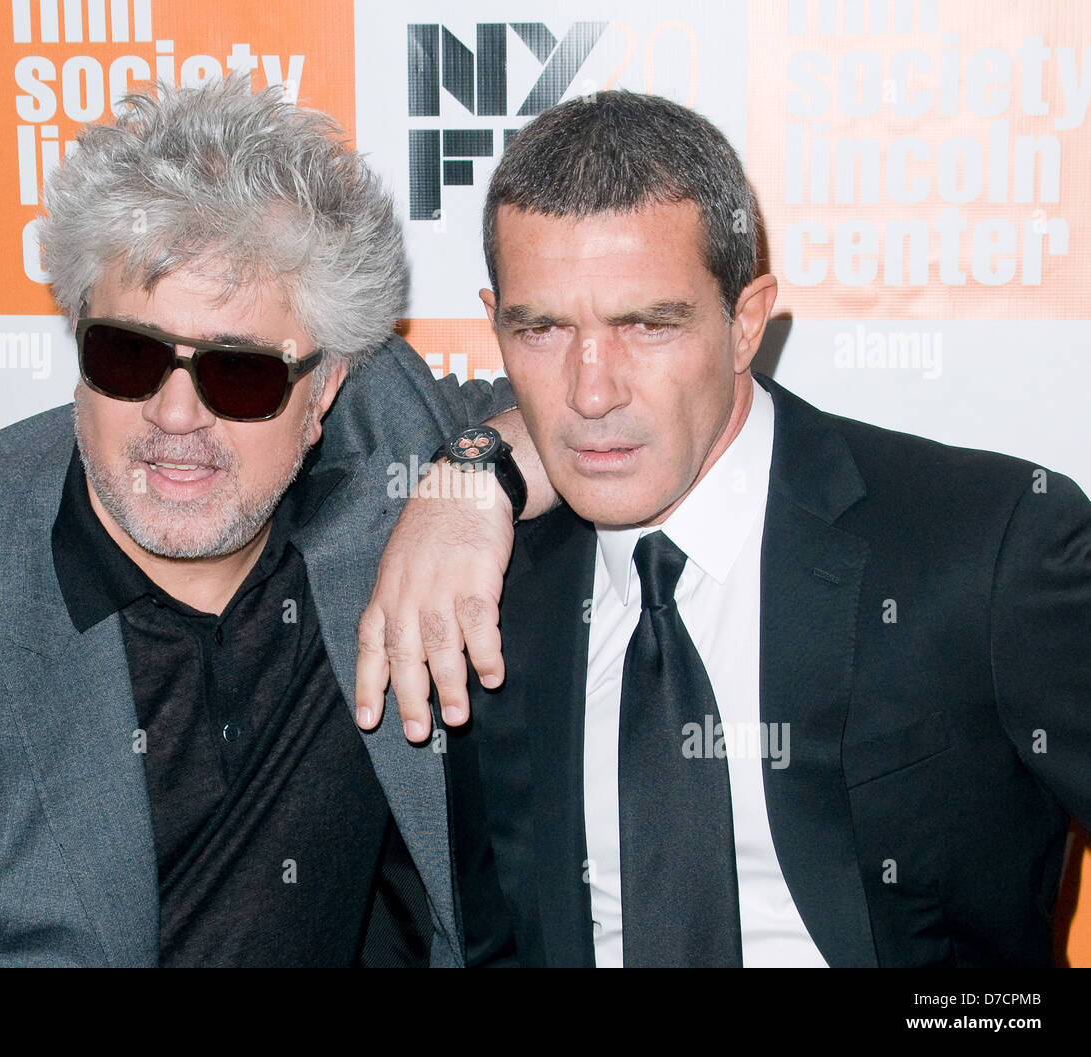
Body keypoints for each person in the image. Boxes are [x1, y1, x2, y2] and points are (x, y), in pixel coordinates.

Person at [0, 77, 521, 967]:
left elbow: (585, 416)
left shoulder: (384, 466)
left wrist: (476, 477)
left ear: (326, 390)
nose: (177, 416)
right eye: (129, 354)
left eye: (240, 373)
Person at [360, 90, 1091, 967]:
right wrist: (463, 479)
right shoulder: (483, 589)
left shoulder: (986, 545)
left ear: (745, 321)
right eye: (544, 327)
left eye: (649, 324)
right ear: (495, 323)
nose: (593, 392)